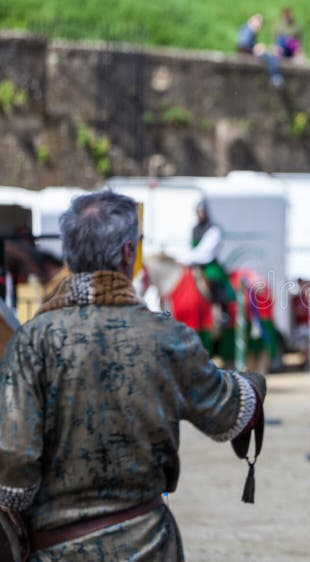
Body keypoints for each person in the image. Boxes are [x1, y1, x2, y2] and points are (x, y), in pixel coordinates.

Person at [0, 191, 266, 560]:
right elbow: (228, 414)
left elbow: (13, 472)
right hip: (149, 547)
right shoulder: (168, 337)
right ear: (128, 253)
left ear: (70, 254)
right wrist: (253, 385)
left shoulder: (31, 341)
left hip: (56, 551)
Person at [185, 199, 235, 314]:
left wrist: (190, 259)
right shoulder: (194, 229)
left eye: (203, 211)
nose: (201, 214)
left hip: (209, 265)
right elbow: (190, 248)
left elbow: (206, 253)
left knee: (214, 280)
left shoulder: (213, 230)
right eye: (199, 212)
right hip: (194, 265)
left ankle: (223, 312)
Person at [236, 13, 285, 87]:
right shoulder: (248, 30)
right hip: (247, 53)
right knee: (269, 58)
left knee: (268, 56)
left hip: (247, 52)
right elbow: (243, 44)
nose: (259, 26)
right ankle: (275, 77)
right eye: (259, 23)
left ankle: (275, 77)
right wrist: (255, 49)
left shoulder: (247, 29)